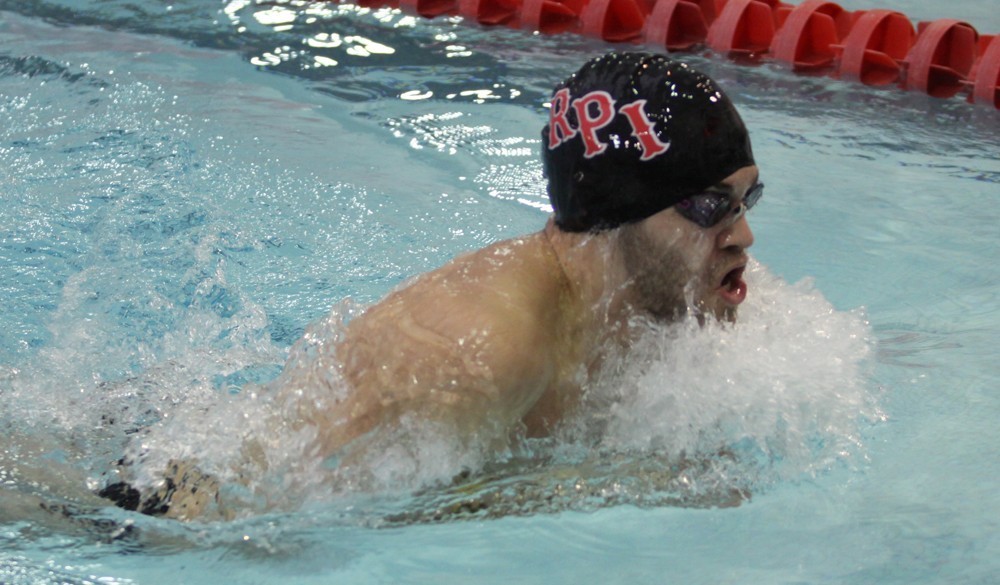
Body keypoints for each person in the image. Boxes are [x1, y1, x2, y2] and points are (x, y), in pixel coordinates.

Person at [100, 51, 761, 519]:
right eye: (709, 207)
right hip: (151, 491)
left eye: (746, 198)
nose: (742, 236)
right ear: (618, 213)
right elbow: (262, 518)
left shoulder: (654, 297)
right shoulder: (473, 357)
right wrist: (618, 484)